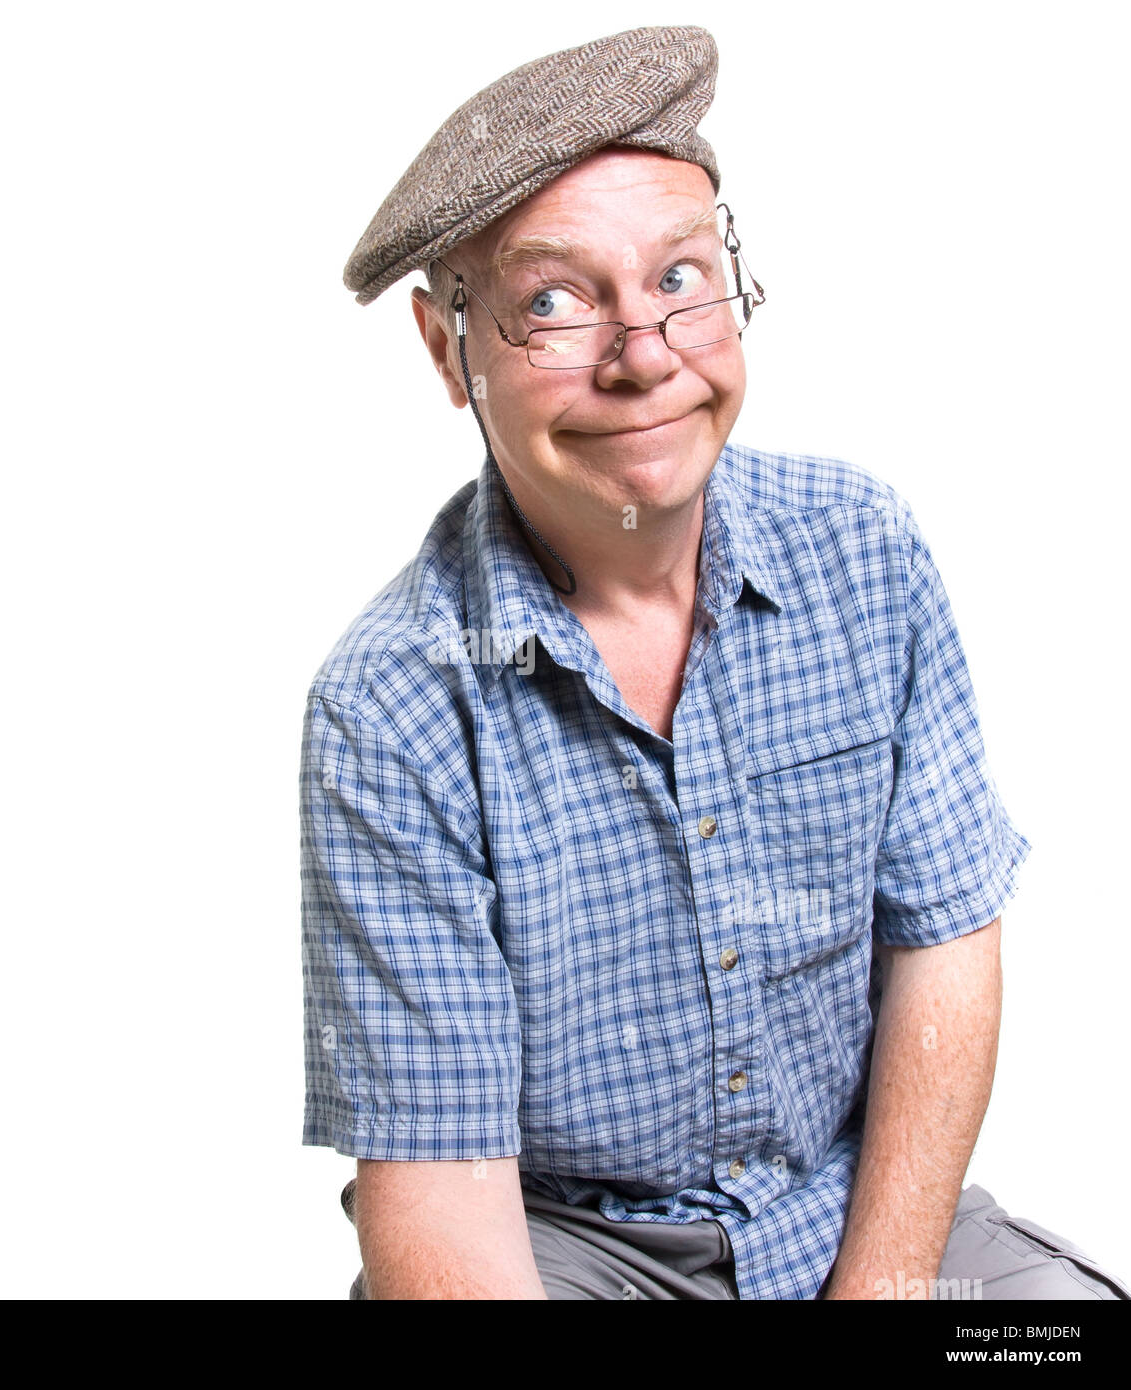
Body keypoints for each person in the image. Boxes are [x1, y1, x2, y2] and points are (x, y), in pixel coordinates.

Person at [299, 24, 1130, 1300]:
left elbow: (944, 942)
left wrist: (884, 1291)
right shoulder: (395, 704)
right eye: (553, 303)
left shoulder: (865, 553)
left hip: (850, 1214)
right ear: (445, 348)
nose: (643, 356)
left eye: (680, 278)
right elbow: (442, 1202)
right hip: (565, 1255)